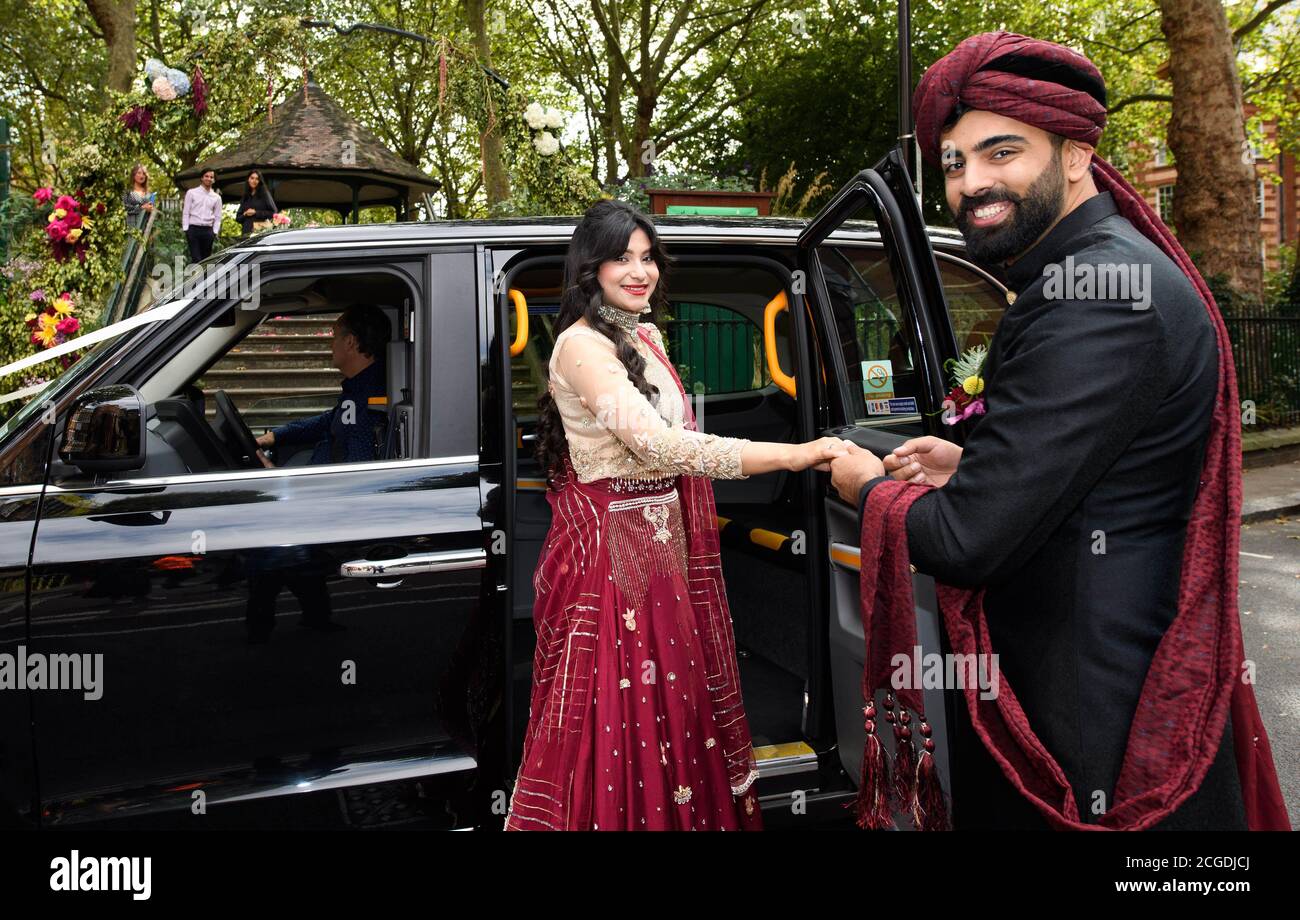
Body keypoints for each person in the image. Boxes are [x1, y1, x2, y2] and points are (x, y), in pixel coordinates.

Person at [829, 32, 1287, 831]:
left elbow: (970, 542)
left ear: (1076, 155)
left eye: (1000, 152)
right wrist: (969, 458)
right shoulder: (1093, 270)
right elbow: (1087, 469)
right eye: (955, 163)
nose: (974, 183)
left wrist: (865, 487)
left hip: (1096, 732)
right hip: (1098, 696)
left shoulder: (1098, 295)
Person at [504, 199, 854, 831]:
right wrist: (795, 454)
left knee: (675, 705)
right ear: (591, 268)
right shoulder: (580, 348)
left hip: (661, 556)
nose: (640, 272)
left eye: (647, 258)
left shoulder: (643, 334)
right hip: (612, 564)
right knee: (620, 716)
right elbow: (660, 446)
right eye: (620, 259)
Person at [255, 304, 389, 466]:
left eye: (334, 336)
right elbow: (330, 420)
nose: (330, 344)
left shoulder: (372, 402)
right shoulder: (358, 389)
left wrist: (280, 481)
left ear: (350, 342)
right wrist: (275, 436)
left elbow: (354, 475)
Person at [181, 167, 223, 262]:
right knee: (196, 258)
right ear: (202, 178)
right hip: (193, 229)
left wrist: (214, 232)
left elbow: (218, 216)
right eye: (206, 176)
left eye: (211, 177)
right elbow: (186, 212)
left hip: (208, 231)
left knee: (206, 259)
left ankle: (204, 277)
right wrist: (186, 229)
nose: (209, 178)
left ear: (214, 180)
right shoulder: (191, 193)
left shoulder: (217, 198)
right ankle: (196, 276)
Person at [237, 169, 278, 237]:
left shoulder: (265, 194)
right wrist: (245, 214)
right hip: (246, 233)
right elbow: (238, 218)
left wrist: (256, 212)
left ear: (259, 181)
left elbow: (274, 213)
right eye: (252, 178)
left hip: (260, 232)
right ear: (248, 179)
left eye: (257, 179)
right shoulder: (245, 197)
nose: (254, 181)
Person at [121, 163, 155, 230]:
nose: (142, 176)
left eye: (144, 174)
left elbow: (151, 214)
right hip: (130, 227)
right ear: (134, 175)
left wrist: (150, 210)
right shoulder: (127, 192)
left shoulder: (148, 194)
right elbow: (125, 209)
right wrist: (142, 207)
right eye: (139, 173)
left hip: (144, 228)